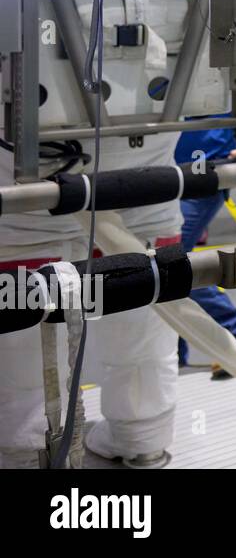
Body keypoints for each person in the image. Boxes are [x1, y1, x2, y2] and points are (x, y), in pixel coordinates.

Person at [0, 135, 181, 468]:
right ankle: (142, 439)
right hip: (142, 197)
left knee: (27, 349)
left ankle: (28, 454)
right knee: (142, 331)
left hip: (24, 212)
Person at [173, 118, 236, 378]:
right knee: (169, 267)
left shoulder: (209, 77)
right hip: (165, 175)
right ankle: (173, 356)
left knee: (172, 264)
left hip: (206, 174)